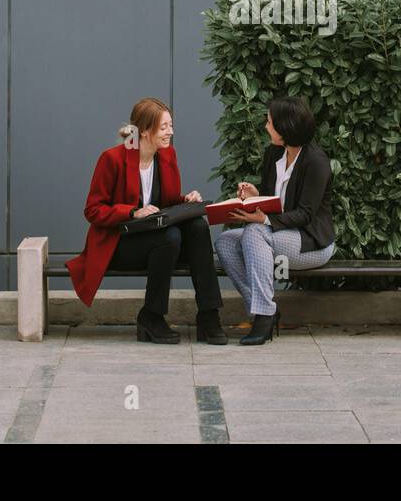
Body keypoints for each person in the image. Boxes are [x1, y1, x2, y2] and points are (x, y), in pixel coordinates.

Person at [67, 97, 226, 345]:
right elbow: (93, 210)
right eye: (163, 127)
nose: (170, 132)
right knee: (169, 237)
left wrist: (187, 199)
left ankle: (209, 316)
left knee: (197, 226)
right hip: (119, 244)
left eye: (171, 126)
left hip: (157, 239)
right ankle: (151, 316)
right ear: (144, 131)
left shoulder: (167, 156)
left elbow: (168, 203)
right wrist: (132, 212)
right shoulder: (112, 159)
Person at [214, 96, 336, 345]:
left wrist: (264, 219)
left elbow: (305, 214)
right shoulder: (274, 154)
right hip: (279, 234)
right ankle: (267, 308)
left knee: (254, 231)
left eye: (270, 122)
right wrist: (256, 196)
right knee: (226, 241)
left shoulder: (316, 162)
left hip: (310, 240)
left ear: (286, 127)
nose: (266, 126)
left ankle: (263, 316)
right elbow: (276, 201)